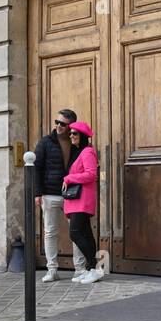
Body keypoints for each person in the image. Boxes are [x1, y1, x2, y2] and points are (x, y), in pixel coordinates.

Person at [33, 108, 84, 282]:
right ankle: (52, 270)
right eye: (57, 122)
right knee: (50, 232)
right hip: (50, 193)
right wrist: (37, 193)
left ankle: (80, 269)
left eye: (63, 123)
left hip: (72, 194)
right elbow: (36, 169)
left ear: (71, 125)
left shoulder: (77, 141)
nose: (58, 126)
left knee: (77, 232)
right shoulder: (45, 142)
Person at [62, 121, 102, 284]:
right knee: (86, 233)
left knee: (75, 232)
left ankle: (95, 268)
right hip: (76, 200)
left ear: (83, 136)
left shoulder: (87, 152)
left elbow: (91, 175)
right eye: (70, 133)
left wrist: (69, 178)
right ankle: (92, 269)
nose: (71, 136)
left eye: (75, 133)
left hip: (83, 200)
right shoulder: (78, 152)